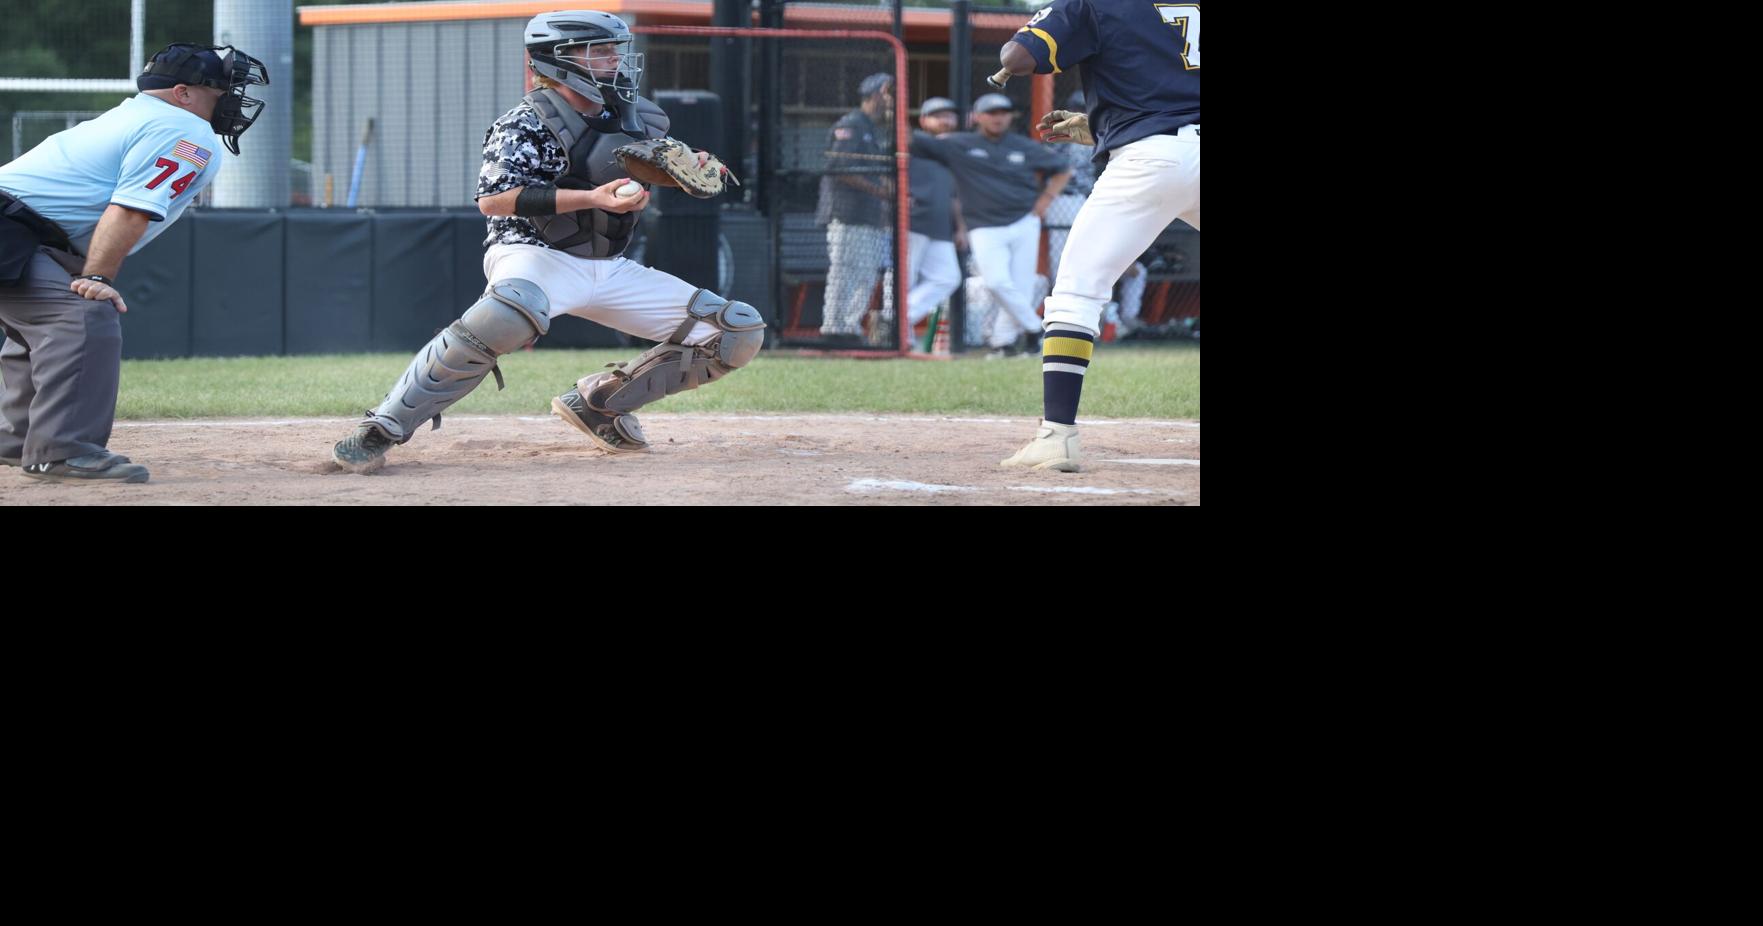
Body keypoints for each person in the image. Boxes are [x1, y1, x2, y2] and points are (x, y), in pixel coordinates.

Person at [331, 9, 761, 473]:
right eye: (599, 50)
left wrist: (693, 171)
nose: (615, 59)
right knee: (506, 315)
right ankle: (381, 428)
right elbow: (494, 200)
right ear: (559, 60)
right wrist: (592, 197)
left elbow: (662, 167)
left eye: (616, 49)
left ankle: (599, 404)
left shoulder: (637, 118)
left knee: (736, 331)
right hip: (532, 255)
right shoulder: (525, 121)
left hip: (608, 264)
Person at [0, 42, 268, 483]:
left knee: (42, 322)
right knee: (83, 316)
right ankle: (63, 450)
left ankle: (19, 439)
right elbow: (128, 209)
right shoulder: (184, 129)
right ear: (183, 92)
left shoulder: (135, 114)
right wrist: (98, 277)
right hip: (14, 230)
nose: (231, 100)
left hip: (21, 231)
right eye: (220, 91)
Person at [996, 0, 1199, 472]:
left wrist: (1037, 23)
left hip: (1152, 161)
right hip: (1171, 145)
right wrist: (1103, 124)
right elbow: (1168, 82)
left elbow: (1018, 60)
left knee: (1075, 292)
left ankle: (1057, 434)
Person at [913, 93, 1071, 356]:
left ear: (1010, 116)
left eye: (1003, 112)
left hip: (1024, 221)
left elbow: (1063, 168)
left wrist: (1046, 199)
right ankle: (1034, 330)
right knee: (997, 282)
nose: (998, 117)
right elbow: (914, 142)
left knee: (1021, 286)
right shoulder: (959, 143)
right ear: (978, 117)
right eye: (991, 112)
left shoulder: (1023, 145)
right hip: (983, 225)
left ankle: (1004, 344)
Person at [815, 72, 895, 345]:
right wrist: (881, 191)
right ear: (879, 93)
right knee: (845, 271)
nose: (893, 102)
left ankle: (849, 328)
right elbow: (839, 168)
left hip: (871, 217)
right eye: (890, 94)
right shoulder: (852, 124)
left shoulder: (873, 128)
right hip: (847, 214)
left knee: (866, 274)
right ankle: (834, 328)